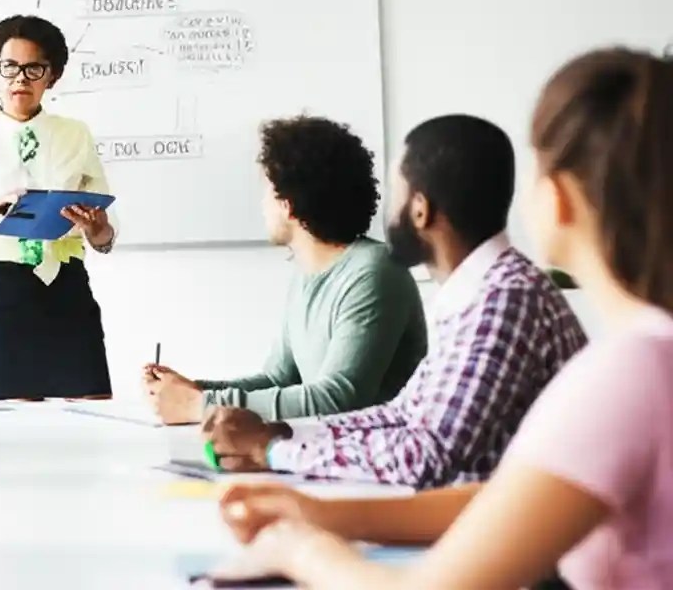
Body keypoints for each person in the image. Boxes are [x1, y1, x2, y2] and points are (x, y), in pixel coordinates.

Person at [215, 49, 673, 589]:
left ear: (558, 197)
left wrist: (301, 547)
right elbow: (495, 483)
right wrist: (308, 493)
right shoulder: (643, 357)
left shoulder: (624, 371)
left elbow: (428, 470)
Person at [204, 114, 587, 488]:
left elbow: (426, 457)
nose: (386, 211)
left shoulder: (504, 301)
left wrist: (272, 450)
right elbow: (402, 414)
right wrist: (282, 432)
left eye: (396, 193)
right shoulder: (479, 293)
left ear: (420, 210)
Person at [143, 116, 427, 424]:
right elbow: (279, 378)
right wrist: (194, 390)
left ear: (287, 205)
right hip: (326, 452)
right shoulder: (306, 274)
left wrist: (202, 406)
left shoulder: (374, 271)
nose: (262, 203)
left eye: (267, 190)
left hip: (373, 460)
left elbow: (338, 397)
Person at [0, 14, 117, 400]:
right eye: (10, 67)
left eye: (34, 68)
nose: (20, 79)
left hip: (66, 283)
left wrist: (95, 227)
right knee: (10, 424)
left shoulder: (74, 134)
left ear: (53, 75)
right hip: (2, 290)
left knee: (91, 410)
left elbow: (104, 236)